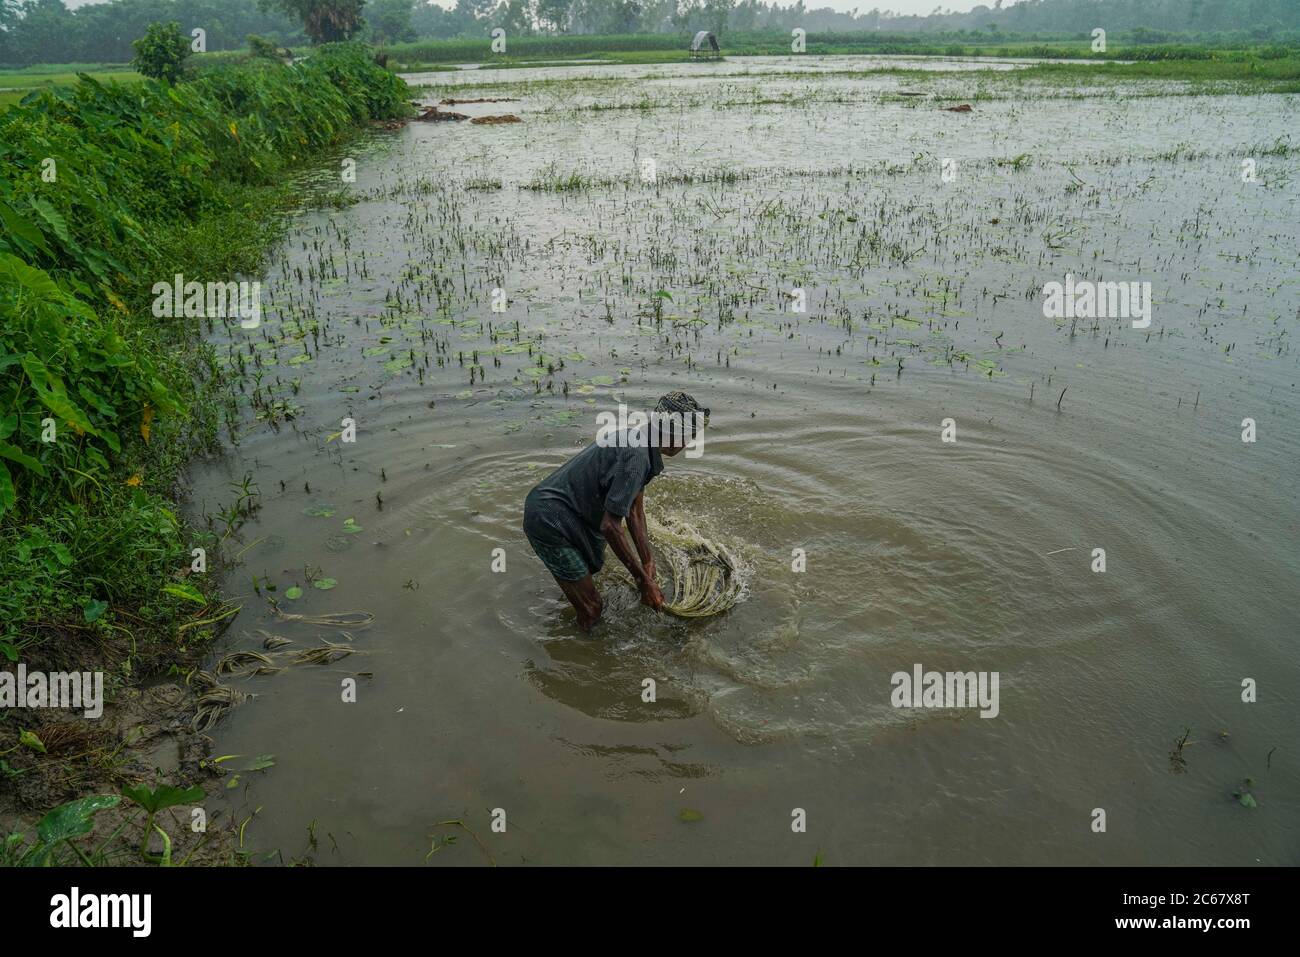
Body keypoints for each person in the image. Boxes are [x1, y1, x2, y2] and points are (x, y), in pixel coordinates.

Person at [523, 392, 709, 631]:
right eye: (690, 436)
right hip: (549, 520)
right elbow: (610, 526)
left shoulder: (640, 439)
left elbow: (634, 509)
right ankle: (579, 661)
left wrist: (648, 560)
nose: (689, 443)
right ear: (675, 434)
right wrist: (643, 581)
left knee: (587, 585)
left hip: (565, 513)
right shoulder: (637, 456)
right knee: (592, 608)